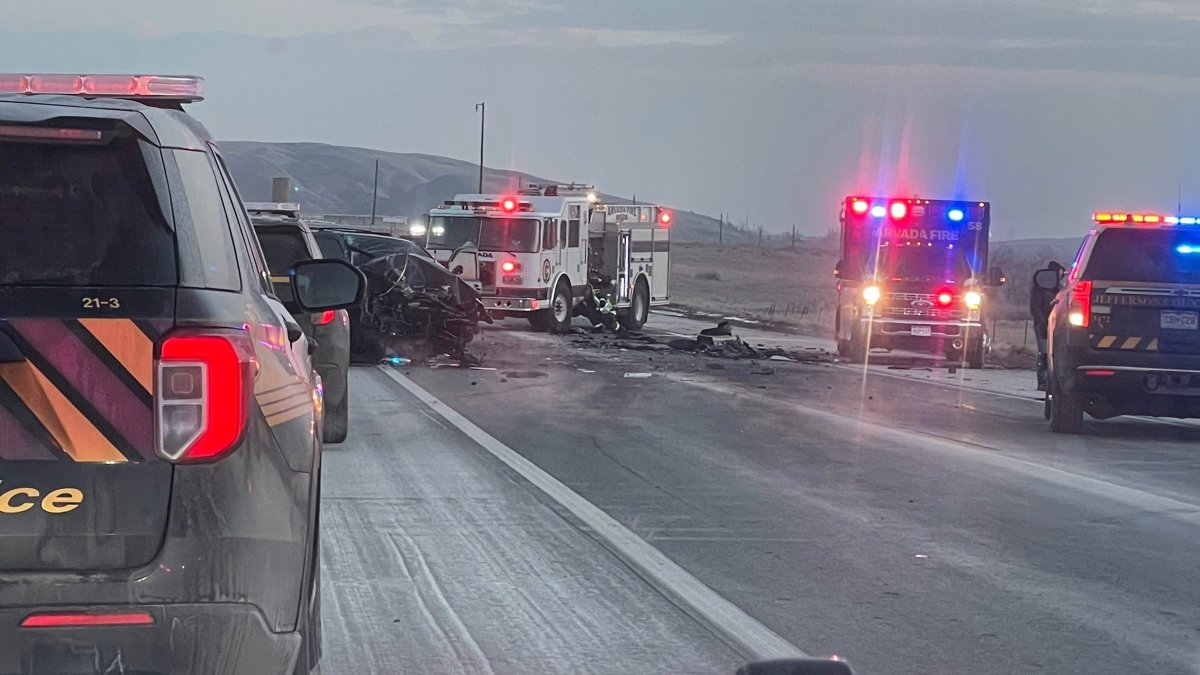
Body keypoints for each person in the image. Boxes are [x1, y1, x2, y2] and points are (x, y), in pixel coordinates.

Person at [1030, 260, 1065, 391]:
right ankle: (1043, 381)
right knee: (1044, 353)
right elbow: (1035, 307)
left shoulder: (1059, 288)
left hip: (1056, 325)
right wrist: (1041, 322)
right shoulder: (1040, 289)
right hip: (1043, 325)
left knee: (1054, 354)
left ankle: (1051, 381)